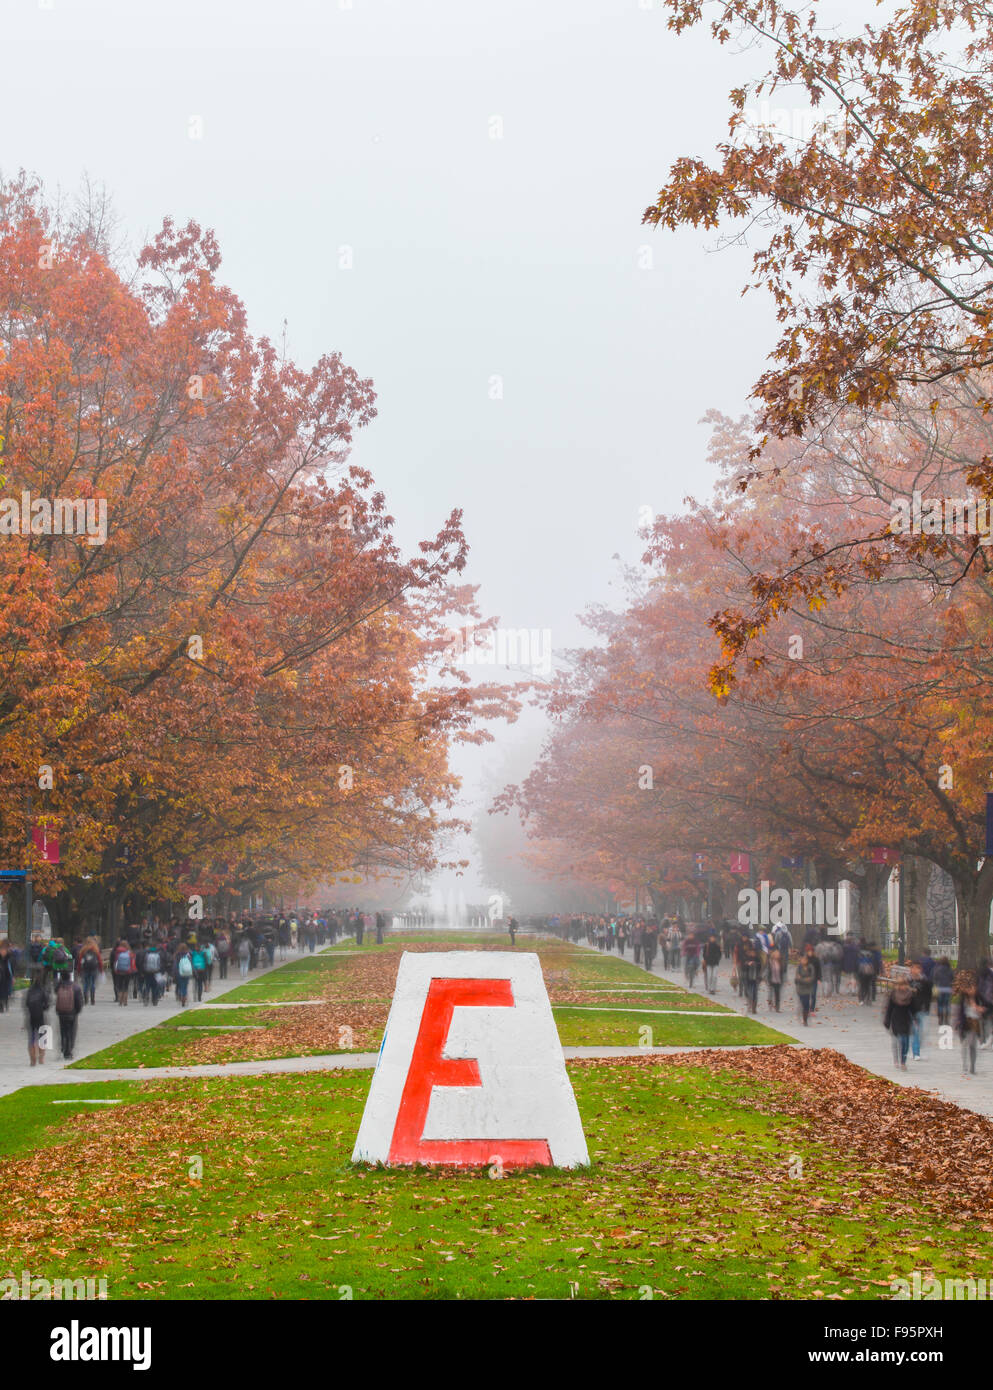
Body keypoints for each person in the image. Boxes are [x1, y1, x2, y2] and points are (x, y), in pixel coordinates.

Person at [884, 974, 915, 1070]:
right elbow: (889, 1008)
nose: (902, 987)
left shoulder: (910, 995)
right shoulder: (893, 994)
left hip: (906, 1019)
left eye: (904, 984)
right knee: (897, 1041)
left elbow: (913, 1009)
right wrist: (887, 1020)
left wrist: (915, 1018)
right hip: (896, 1019)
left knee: (905, 1042)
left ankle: (903, 1061)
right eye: (900, 985)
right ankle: (897, 1060)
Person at [54, 971, 83, 1060]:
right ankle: (69, 1050)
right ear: (70, 977)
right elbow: (79, 1002)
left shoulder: (59, 986)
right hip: (72, 1013)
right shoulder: (76, 987)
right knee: (71, 1032)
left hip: (61, 1013)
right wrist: (77, 1011)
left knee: (63, 1031)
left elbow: (55, 991)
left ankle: (63, 1046)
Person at [957, 984, 983, 1077]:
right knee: (964, 1045)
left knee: (973, 1046)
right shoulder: (963, 998)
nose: (971, 990)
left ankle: (972, 1067)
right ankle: (965, 1067)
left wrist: (977, 1007)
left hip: (975, 1023)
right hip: (966, 1024)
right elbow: (960, 1012)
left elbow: (984, 1009)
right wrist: (958, 1022)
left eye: (972, 987)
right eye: (969, 988)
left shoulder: (979, 998)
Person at [24, 972, 50, 1065]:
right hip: (40, 1017)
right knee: (42, 1038)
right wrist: (42, 1008)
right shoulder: (43, 991)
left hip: (31, 1017)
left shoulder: (30, 991)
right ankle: (41, 1058)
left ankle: (32, 1059)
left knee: (31, 1038)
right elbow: (47, 1005)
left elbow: (27, 1004)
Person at [78, 937, 102, 1005]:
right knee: (93, 983)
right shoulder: (95, 949)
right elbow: (99, 960)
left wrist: (79, 970)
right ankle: (92, 999)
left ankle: (85, 998)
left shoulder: (83, 950)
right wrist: (101, 969)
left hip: (85, 969)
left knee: (85, 983)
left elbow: (80, 961)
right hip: (94, 968)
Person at [794, 951, 816, 1025]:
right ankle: (802, 1017)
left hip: (808, 989)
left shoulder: (810, 967)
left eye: (805, 959)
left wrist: (802, 979)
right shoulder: (799, 968)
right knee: (802, 1003)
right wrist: (805, 979)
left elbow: (812, 979)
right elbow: (796, 979)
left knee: (806, 1004)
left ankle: (805, 1020)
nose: (804, 961)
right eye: (802, 959)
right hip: (800, 989)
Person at [111, 938, 135, 1006]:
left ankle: (120, 1001)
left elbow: (115, 962)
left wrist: (115, 970)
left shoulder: (117, 952)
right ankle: (125, 1001)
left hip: (119, 971)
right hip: (127, 971)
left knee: (120, 986)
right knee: (126, 986)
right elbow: (132, 962)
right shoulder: (130, 953)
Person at [933, 956, 954, 1027]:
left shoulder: (937, 969)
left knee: (940, 1004)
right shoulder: (950, 969)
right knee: (947, 1004)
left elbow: (935, 978)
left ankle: (940, 1018)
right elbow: (952, 978)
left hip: (939, 989)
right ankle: (946, 1019)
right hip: (948, 989)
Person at [766, 945, 783, 1011]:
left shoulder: (780, 962)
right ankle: (770, 1002)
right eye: (776, 954)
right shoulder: (770, 962)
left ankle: (777, 1007)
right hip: (771, 979)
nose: (777, 955)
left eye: (778, 954)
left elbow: (782, 971)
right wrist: (768, 979)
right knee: (771, 992)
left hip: (778, 980)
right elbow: (768, 971)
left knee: (777, 993)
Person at [0, 939, 14, 1013]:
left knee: (6, 991)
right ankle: (1, 1006)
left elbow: (11, 967)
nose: (3, 952)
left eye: (4, 950)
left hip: (7, 976)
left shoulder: (9, 957)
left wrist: (13, 976)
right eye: (2, 950)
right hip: (1, 976)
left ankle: (5, 1003)